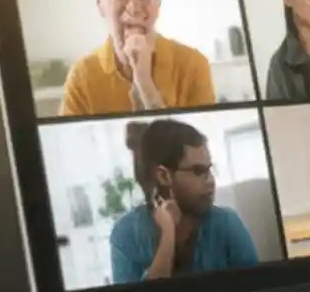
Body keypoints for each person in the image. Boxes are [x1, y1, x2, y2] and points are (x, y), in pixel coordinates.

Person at [60, 0, 216, 116]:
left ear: (157, 6)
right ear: (101, 4)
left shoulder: (193, 65)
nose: (134, 7)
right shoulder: (81, 78)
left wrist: (144, 82)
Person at [109, 119, 260, 283]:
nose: (211, 181)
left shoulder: (227, 222)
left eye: (209, 170)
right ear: (164, 176)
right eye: (198, 171)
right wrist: (168, 235)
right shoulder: (125, 234)